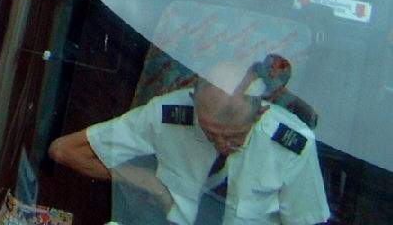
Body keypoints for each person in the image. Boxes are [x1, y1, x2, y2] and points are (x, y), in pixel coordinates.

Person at [48, 59, 330, 225]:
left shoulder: (292, 144)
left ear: (261, 114)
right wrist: (138, 178)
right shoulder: (168, 115)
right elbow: (64, 150)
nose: (221, 145)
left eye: (234, 137)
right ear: (194, 103)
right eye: (210, 132)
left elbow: (306, 220)